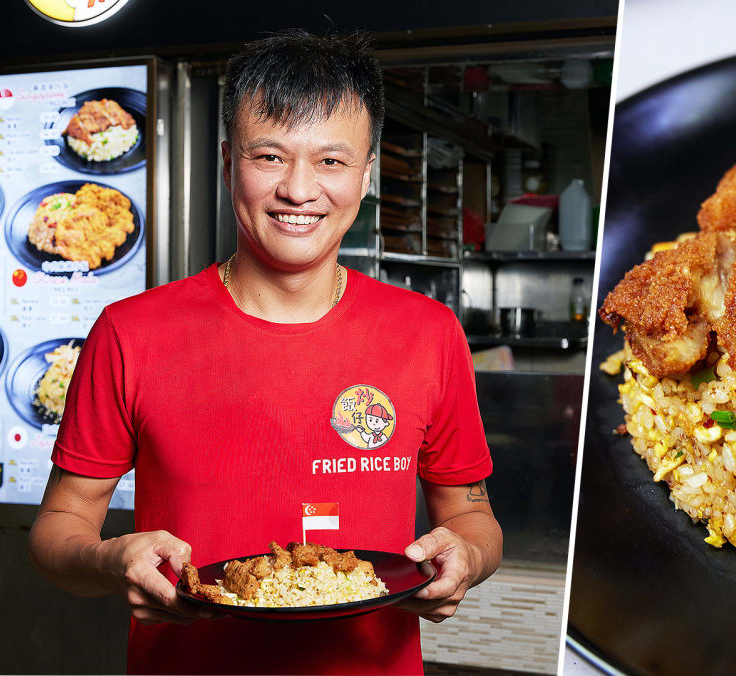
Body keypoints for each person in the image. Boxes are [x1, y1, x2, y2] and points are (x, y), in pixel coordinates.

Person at [28, 30, 502, 674]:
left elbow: (474, 518)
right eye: (269, 157)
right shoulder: (130, 332)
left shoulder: (428, 332)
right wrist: (109, 561)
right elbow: (58, 529)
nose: (299, 191)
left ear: (366, 174)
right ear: (229, 163)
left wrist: (467, 559)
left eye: (331, 162)